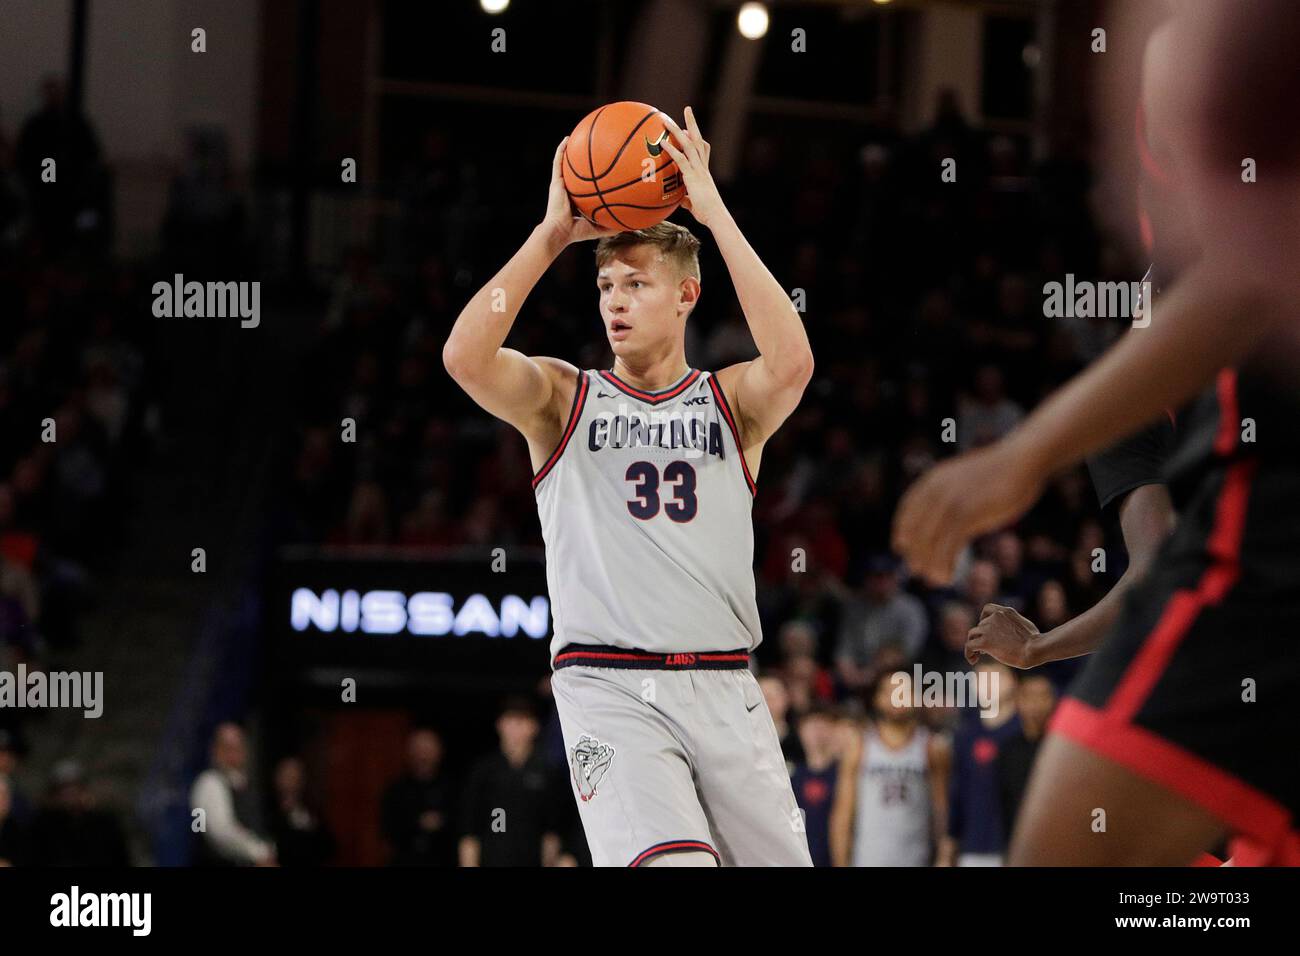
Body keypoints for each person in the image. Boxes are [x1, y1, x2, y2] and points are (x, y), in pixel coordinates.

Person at [896, 1, 1300, 866]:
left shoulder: (1207, 76)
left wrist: (1022, 454)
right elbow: (1153, 581)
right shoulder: (1138, 395)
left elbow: (1251, 271)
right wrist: (1041, 645)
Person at [443, 106, 815, 867]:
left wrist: (712, 209)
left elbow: (794, 363)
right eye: (607, 283)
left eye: (637, 284)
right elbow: (466, 357)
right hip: (610, 688)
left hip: (724, 684)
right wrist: (551, 236)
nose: (614, 299)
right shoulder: (563, 399)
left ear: (687, 295)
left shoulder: (730, 402)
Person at [830, 670, 950, 867]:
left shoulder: (932, 747)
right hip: (868, 860)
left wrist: (944, 857)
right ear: (877, 698)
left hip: (917, 860)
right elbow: (843, 814)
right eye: (891, 691)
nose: (898, 697)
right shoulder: (859, 746)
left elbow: (941, 810)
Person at [458, 698, 568, 867]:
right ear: (500, 724)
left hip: (531, 860)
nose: (515, 728)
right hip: (492, 859)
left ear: (534, 726)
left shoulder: (547, 772)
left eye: (522, 721)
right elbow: (470, 830)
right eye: (510, 721)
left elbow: (551, 832)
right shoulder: (484, 771)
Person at [189, 722, 275, 867]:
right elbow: (220, 831)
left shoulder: (246, 786)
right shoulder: (209, 783)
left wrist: (267, 851)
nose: (232, 753)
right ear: (215, 750)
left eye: (237, 747)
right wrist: (257, 852)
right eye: (226, 747)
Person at [380, 728, 457, 867]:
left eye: (428, 749)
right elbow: (388, 828)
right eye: (418, 749)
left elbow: (463, 825)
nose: (423, 756)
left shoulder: (453, 788)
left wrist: (442, 822)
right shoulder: (396, 790)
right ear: (408, 752)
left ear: (440, 751)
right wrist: (418, 823)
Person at [789, 704, 843, 867]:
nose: (818, 732)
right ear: (800, 731)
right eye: (811, 725)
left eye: (825, 725)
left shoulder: (844, 775)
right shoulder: (790, 777)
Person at [269, 756, 335, 867]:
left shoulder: (311, 811)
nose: (290, 781)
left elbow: (329, 847)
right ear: (277, 779)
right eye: (286, 776)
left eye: (294, 776)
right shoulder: (269, 812)